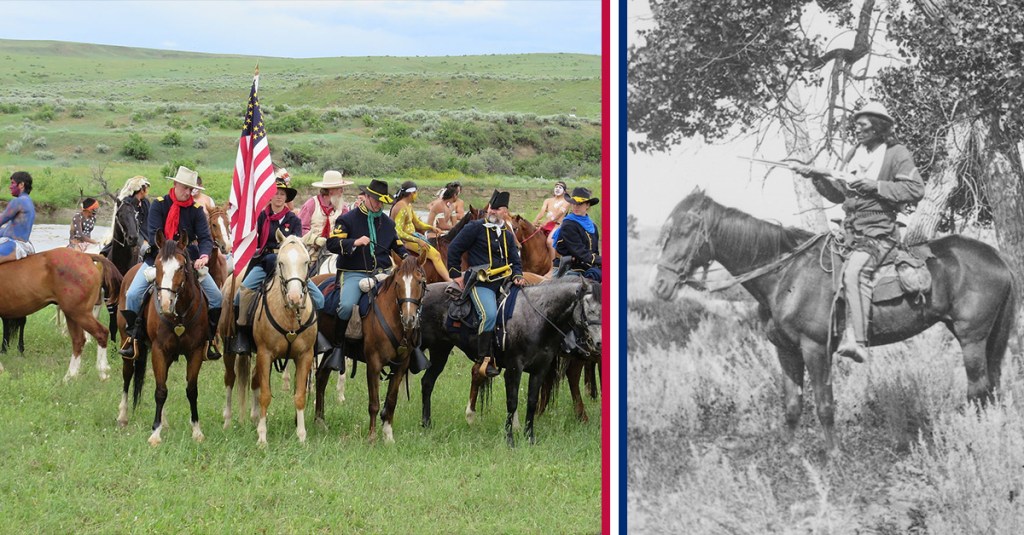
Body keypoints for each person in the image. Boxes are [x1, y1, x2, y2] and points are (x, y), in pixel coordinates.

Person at [792, 101, 924, 363]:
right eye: (856, 126)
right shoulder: (854, 153)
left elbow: (915, 190)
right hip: (850, 231)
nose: (857, 130)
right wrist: (816, 177)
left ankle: (859, 342)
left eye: (863, 125)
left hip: (879, 233)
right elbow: (839, 194)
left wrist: (876, 186)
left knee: (855, 273)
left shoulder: (897, 153)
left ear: (878, 128)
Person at [119, 166, 223, 361]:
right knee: (132, 294)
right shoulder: (159, 205)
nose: (188, 192)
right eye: (185, 187)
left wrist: (204, 256)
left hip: (187, 262)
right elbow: (153, 233)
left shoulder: (196, 211)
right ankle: (134, 338)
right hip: (158, 258)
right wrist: (168, 253)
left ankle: (209, 340)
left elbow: (205, 238)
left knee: (217, 297)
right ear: (175, 184)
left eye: (190, 189)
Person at [321, 179, 410, 373]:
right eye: (375, 200)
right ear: (367, 197)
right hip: (354, 272)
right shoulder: (348, 219)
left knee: (408, 300)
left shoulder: (387, 223)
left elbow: (397, 244)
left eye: (381, 202)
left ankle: (412, 347)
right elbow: (332, 244)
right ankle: (338, 348)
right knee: (345, 306)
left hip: (383, 273)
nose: (378, 205)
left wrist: (406, 256)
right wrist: (354, 242)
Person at [230, 179, 325, 353]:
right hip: (264, 262)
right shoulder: (260, 217)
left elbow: (296, 245)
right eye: (276, 193)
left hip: (290, 265)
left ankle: (317, 336)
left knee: (319, 298)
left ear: (286, 198)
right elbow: (252, 241)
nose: (279, 197)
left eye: (282, 194)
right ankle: (242, 335)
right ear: (270, 196)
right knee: (240, 295)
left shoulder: (293, 220)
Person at [446, 190, 526, 378]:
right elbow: (454, 248)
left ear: (505, 212)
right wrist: (455, 273)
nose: (493, 211)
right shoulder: (475, 227)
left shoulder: (506, 233)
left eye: (498, 209)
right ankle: (484, 359)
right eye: (491, 207)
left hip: (505, 281)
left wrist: (518, 274)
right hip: (481, 283)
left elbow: (515, 259)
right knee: (489, 314)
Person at [389, 181, 451, 282]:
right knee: (436, 255)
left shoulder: (408, 205)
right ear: (411, 193)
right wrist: (417, 241)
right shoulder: (401, 206)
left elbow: (417, 223)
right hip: (405, 241)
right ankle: (449, 280)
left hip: (413, 237)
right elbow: (398, 232)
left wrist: (431, 228)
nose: (416, 195)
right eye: (416, 192)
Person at [552, 187, 601, 282]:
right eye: (573, 203)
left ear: (587, 205)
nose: (575, 206)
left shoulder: (593, 226)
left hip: (588, 268)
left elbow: (595, 251)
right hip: (570, 269)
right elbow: (579, 252)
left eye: (580, 204)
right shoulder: (568, 224)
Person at [103, 175, 150, 272]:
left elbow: (147, 220)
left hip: (143, 232)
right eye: (146, 188)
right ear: (141, 190)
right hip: (131, 232)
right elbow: (126, 221)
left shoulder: (145, 203)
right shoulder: (127, 203)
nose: (147, 190)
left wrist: (147, 237)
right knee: (105, 253)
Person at [299, 169, 353, 249]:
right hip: (311, 248)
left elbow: (348, 228)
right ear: (330, 190)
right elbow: (301, 227)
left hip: (334, 248)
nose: (342, 191)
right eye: (340, 189)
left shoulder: (343, 208)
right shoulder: (311, 204)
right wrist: (315, 239)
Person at [0, 171, 36, 265]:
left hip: (15, 245)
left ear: (21, 185)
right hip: (24, 244)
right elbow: (8, 229)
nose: (10, 186)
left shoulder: (18, 202)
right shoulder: (28, 201)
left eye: (12, 183)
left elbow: (1, 220)